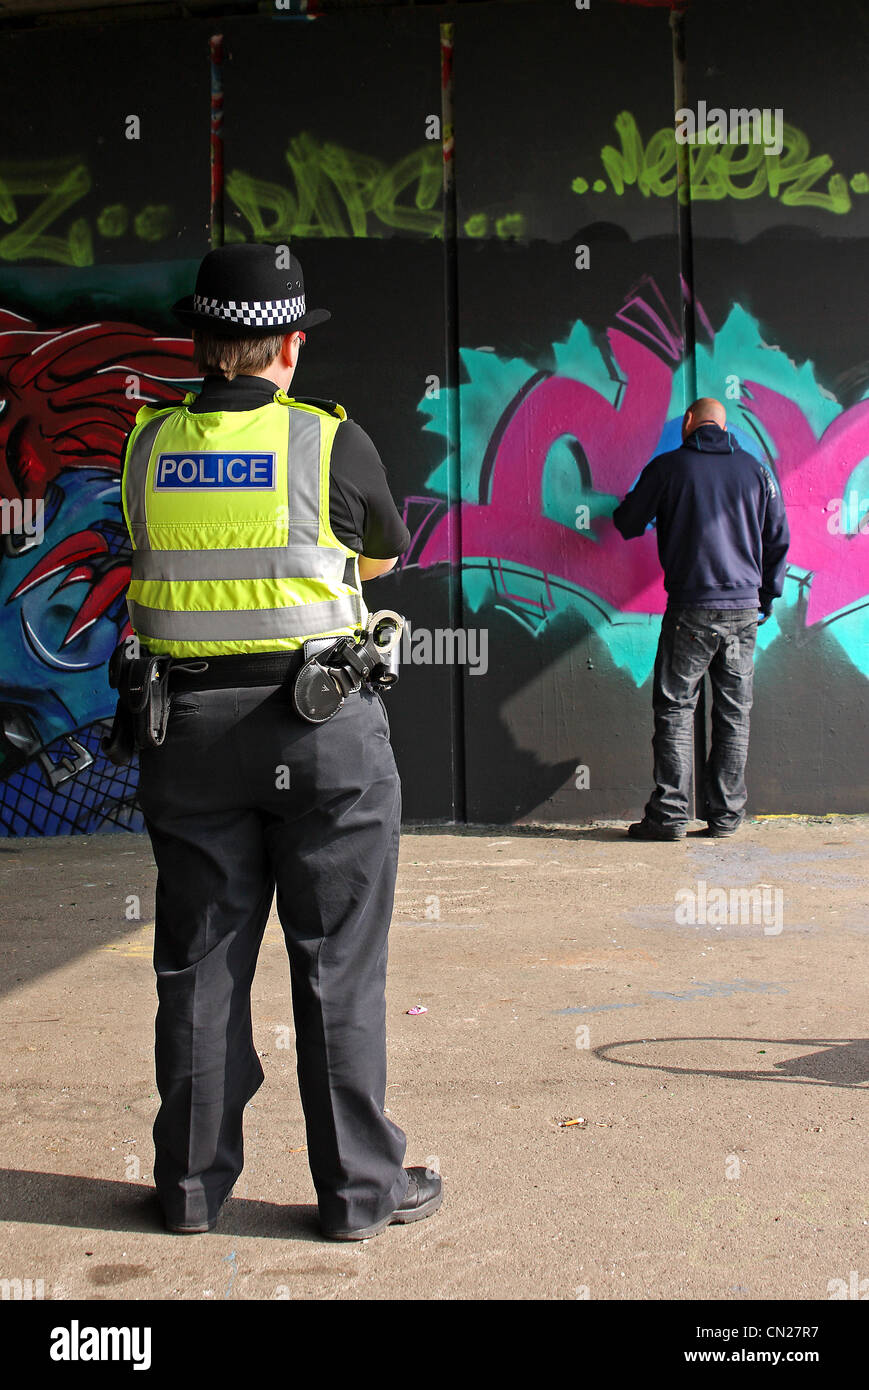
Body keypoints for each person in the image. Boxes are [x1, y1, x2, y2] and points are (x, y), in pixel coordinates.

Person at [117, 242, 443, 1239]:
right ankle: (357, 1193)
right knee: (336, 962)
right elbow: (380, 552)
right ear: (287, 347)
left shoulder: (144, 446)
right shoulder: (327, 442)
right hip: (321, 729)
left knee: (200, 960)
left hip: (189, 733)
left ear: (204, 340)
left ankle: (187, 1188)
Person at [612, 397, 789, 841]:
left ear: (689, 422)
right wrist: (765, 597)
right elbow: (779, 538)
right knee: (734, 713)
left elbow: (629, 522)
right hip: (744, 609)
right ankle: (726, 816)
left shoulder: (669, 467)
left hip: (691, 606)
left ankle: (670, 815)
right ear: (723, 426)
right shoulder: (756, 471)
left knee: (675, 708)